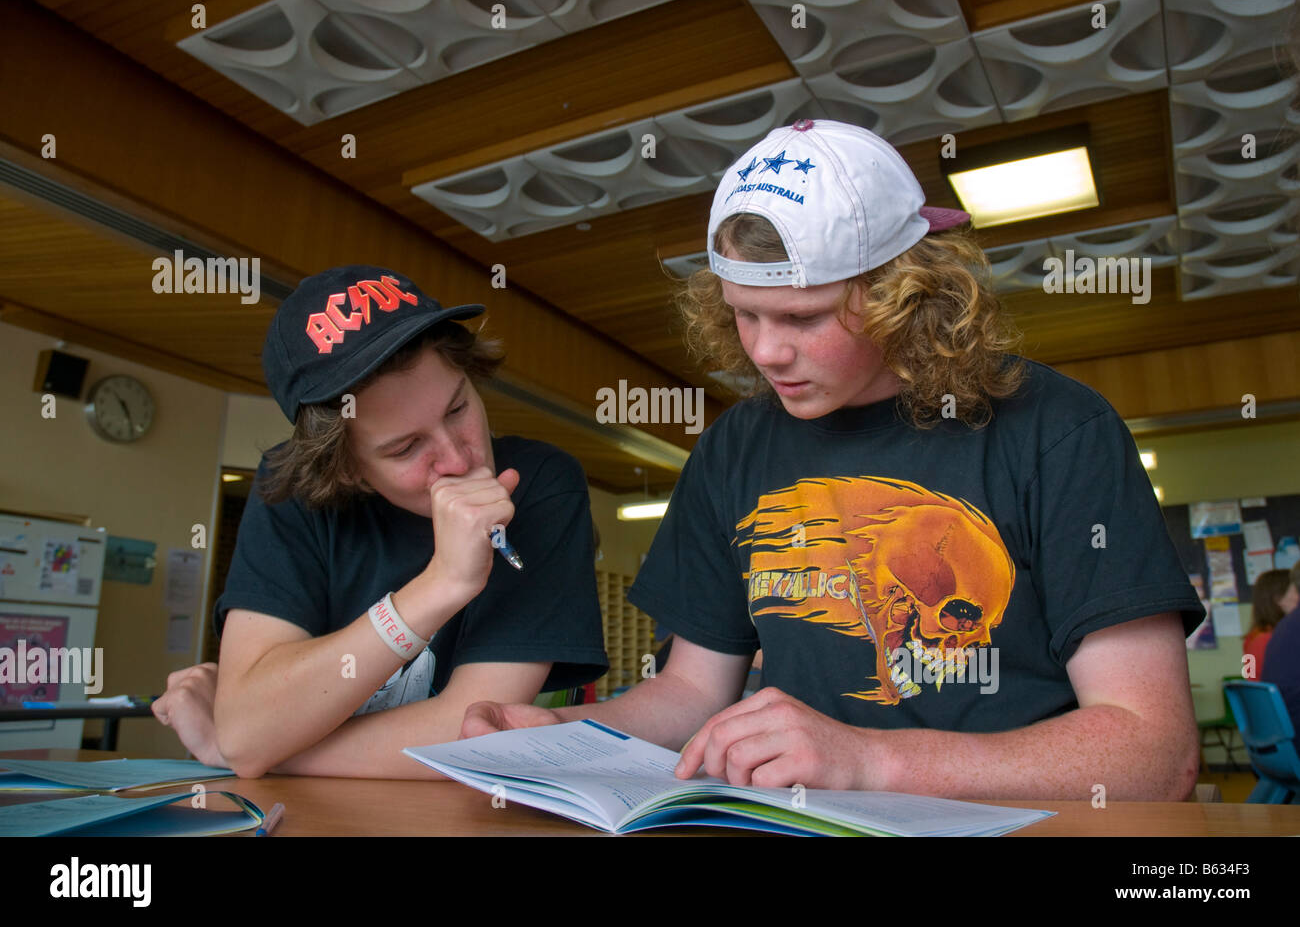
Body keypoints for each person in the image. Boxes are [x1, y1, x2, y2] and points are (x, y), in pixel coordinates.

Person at [462, 119, 1207, 801]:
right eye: (743, 312)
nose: (763, 350)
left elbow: (1155, 750)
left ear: (903, 296)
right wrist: (559, 743)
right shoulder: (736, 446)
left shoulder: (1059, 429)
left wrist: (870, 760)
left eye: (802, 317)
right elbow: (690, 692)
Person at [153, 266, 608, 778]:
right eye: (406, 447)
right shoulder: (290, 488)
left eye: (458, 408)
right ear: (345, 468)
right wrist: (442, 585)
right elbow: (248, 732)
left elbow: (477, 737)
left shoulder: (540, 482)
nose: (458, 460)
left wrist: (255, 750)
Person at [1261, 560, 1300, 733]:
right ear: (1278, 599)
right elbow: (1250, 674)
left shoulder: (1276, 631)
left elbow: (1249, 676)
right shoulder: (1263, 638)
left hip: (1276, 729)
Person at [1244, 568, 1293, 678]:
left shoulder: (1253, 637)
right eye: (1296, 591)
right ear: (1279, 599)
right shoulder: (1269, 640)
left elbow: (1250, 678)